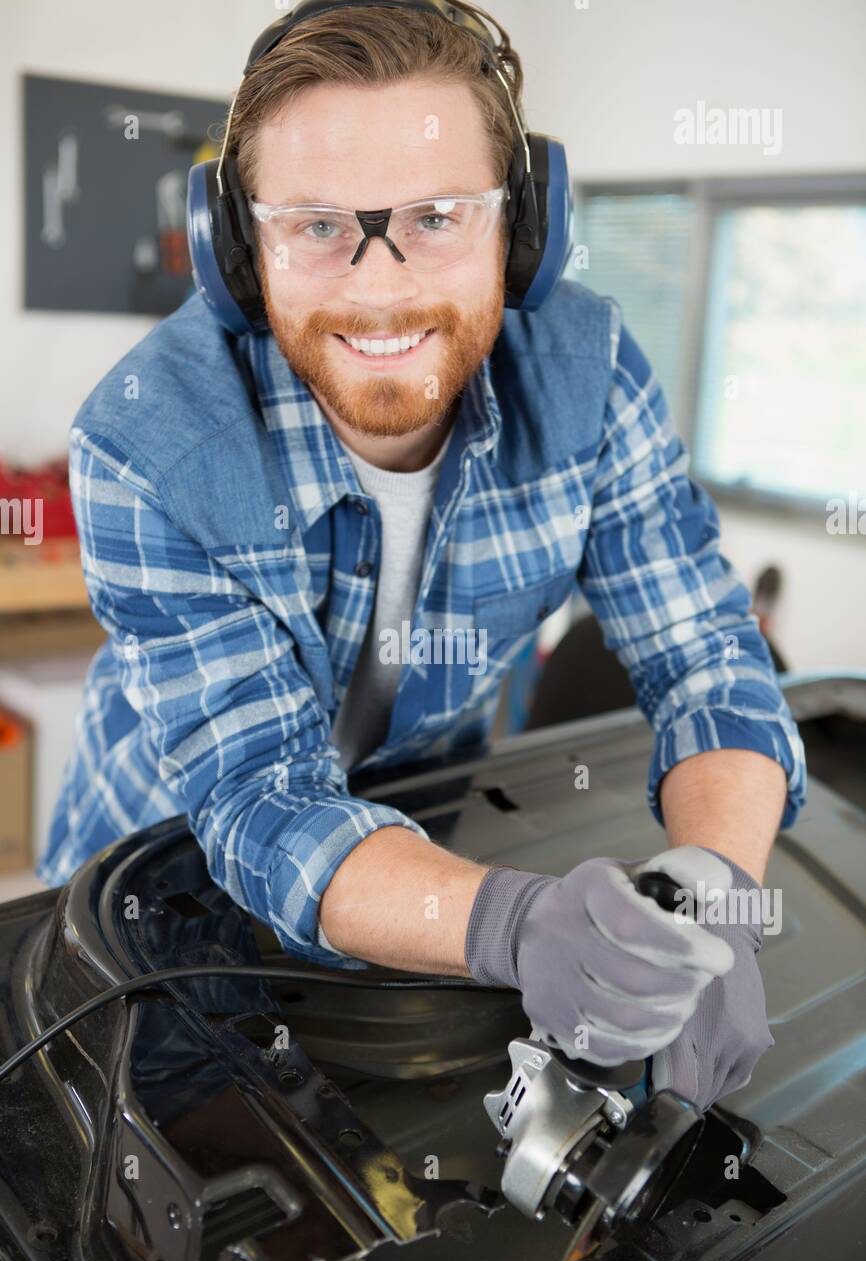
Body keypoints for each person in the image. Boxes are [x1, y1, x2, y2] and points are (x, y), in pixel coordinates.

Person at [37, 1, 806, 1111]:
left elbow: (706, 655)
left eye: (438, 216)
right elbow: (260, 796)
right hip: (163, 872)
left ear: (522, 230)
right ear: (237, 250)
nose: (380, 285)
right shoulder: (146, 440)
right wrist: (511, 921)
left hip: (418, 861)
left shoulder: (588, 374)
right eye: (314, 225)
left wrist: (717, 895)